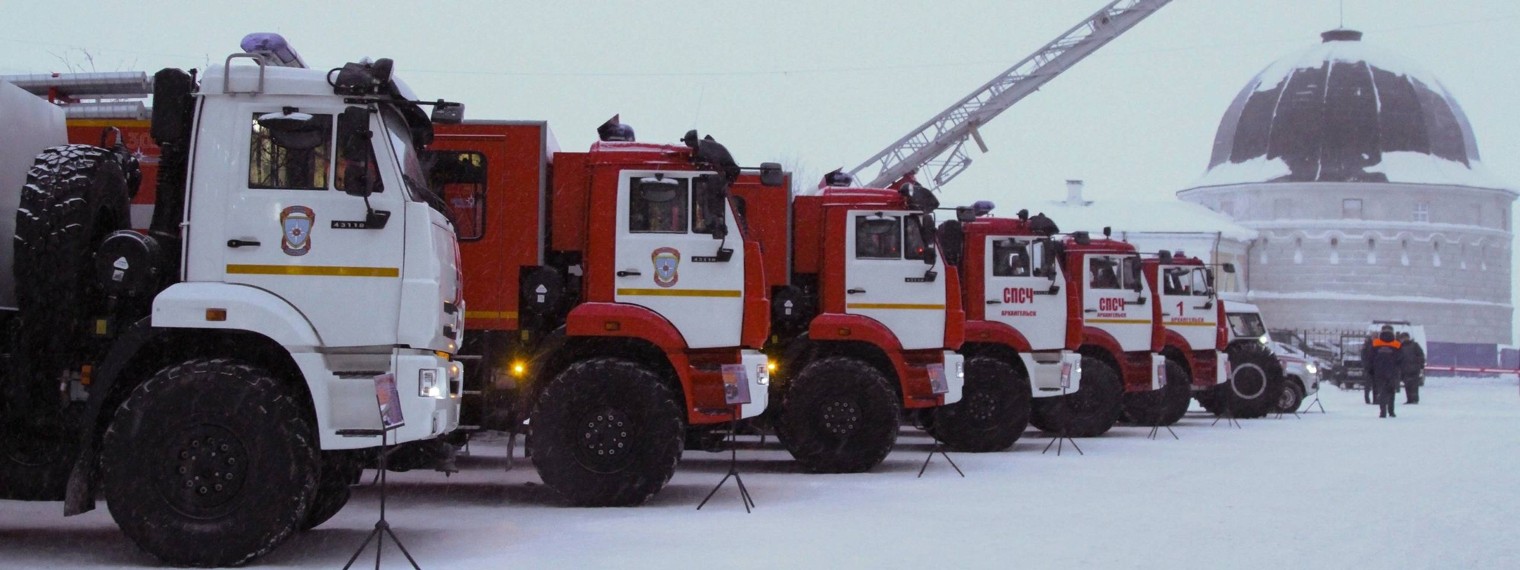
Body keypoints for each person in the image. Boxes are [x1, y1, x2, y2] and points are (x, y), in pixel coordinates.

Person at [1364, 325, 1404, 418]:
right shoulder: (1397, 344)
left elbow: (1370, 357)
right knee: (1391, 391)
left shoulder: (1375, 343)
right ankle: (1391, 411)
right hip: (1392, 371)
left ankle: (1383, 411)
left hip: (1379, 371)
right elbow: (1401, 358)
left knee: (1382, 391)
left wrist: (1370, 369)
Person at [1399, 332, 1426, 404]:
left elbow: (1421, 355)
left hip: (1414, 368)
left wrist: (1420, 364)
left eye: (1404, 338)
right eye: (1402, 338)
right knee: (1407, 385)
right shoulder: (1400, 346)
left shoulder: (1414, 345)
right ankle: (1409, 399)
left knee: (1414, 385)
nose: (1403, 339)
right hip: (1405, 369)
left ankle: (1414, 399)